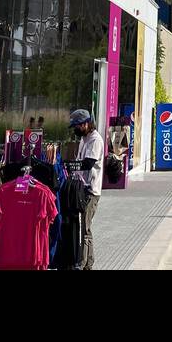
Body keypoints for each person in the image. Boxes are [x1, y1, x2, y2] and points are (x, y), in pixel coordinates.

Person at [69, 109, 103, 270]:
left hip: (91, 191)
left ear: (85, 124)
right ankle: (87, 263)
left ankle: (82, 263)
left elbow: (88, 164)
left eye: (77, 126)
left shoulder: (95, 140)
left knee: (85, 227)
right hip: (82, 188)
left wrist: (70, 165)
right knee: (84, 226)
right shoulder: (84, 138)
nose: (75, 130)